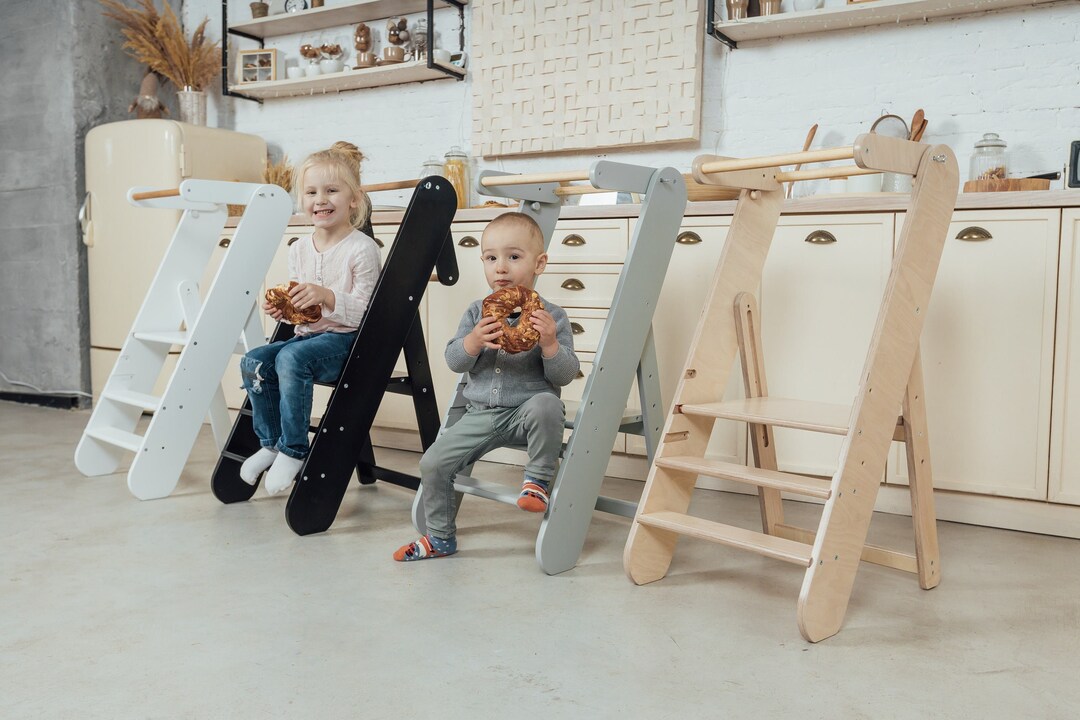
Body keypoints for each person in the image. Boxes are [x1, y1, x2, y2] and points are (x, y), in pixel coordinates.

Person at [394, 212, 581, 561]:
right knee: (433, 463)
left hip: (527, 415)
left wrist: (551, 345)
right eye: (491, 258)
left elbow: (564, 375)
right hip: (479, 415)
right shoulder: (477, 312)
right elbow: (454, 361)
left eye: (513, 257)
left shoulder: (551, 318)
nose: (501, 268)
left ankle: (537, 482)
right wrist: (474, 342)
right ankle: (440, 538)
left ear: (539, 263)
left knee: (548, 404)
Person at [238, 141, 380, 495]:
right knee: (255, 360)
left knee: (290, 356)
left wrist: (328, 296)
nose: (321, 199)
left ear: (354, 199)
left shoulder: (362, 248)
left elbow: (368, 313)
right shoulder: (299, 248)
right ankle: (271, 443)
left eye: (332, 190)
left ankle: (294, 449)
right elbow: (302, 310)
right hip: (308, 339)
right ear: (301, 199)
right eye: (311, 192)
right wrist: (284, 308)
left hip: (347, 343)